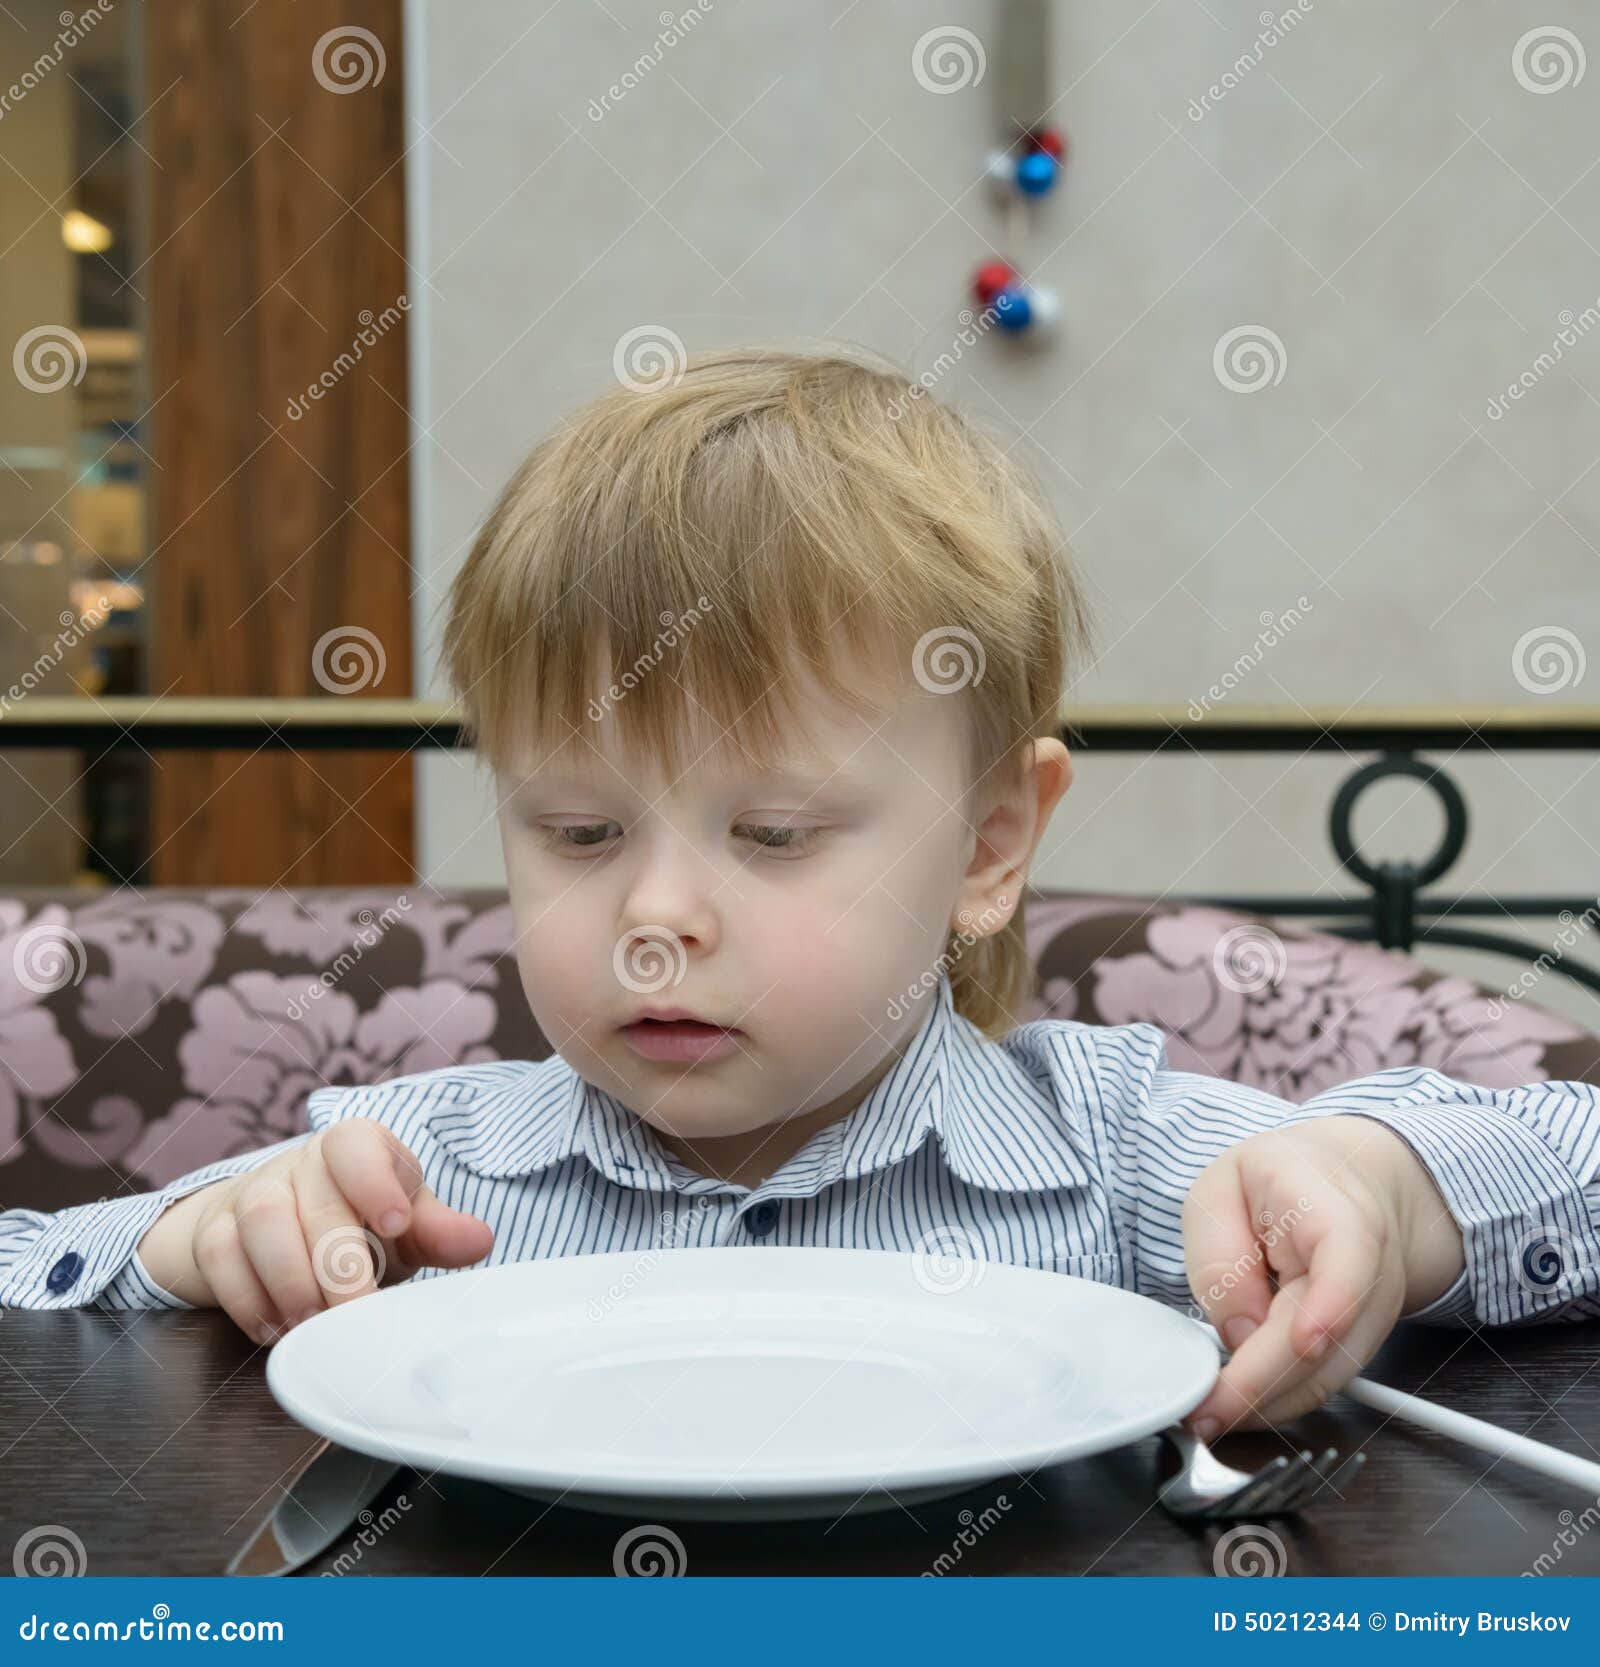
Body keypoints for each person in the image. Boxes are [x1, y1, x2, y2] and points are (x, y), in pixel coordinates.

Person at [3, 343, 1596, 1442]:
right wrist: (192, 1249)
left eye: (771, 835)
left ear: (985, 847)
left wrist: (1392, 1188)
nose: (655, 915)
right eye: (575, 831)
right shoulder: (421, 1180)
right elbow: (27, 1296)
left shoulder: (1116, 1165)